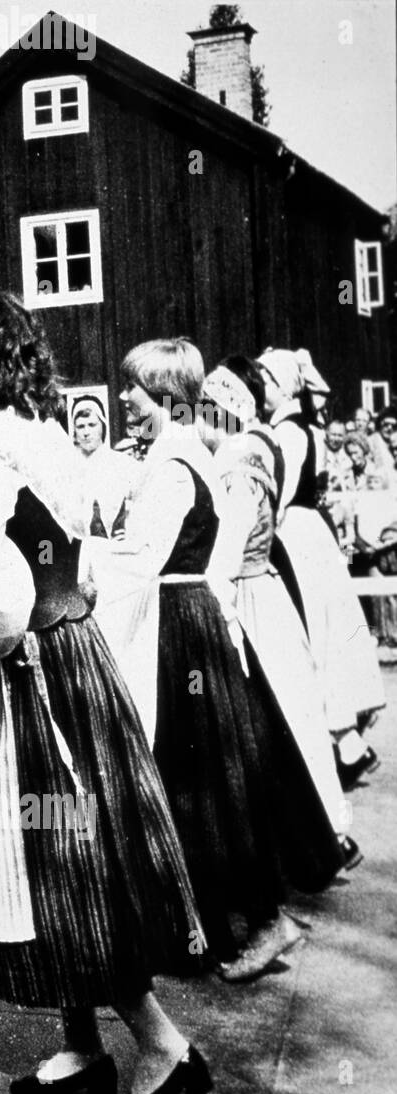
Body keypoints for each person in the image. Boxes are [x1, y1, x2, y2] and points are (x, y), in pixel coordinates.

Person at [0, 291, 207, 1094]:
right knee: (68, 842)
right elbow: (82, 561)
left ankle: (162, 1045)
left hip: (32, 669)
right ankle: (80, 1043)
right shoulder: (54, 442)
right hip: (77, 652)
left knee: (62, 850)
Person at [93, 338, 344, 976]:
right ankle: (206, 923)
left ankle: (261, 920)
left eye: (136, 391)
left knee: (207, 782)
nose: (124, 399)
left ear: (171, 399)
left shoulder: (176, 465)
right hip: (186, 623)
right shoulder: (181, 453)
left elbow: (140, 560)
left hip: (183, 627)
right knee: (195, 778)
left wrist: (80, 566)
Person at [195, 358, 351, 977]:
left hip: (250, 604)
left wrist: (211, 612)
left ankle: (270, 904)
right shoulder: (257, 452)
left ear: (221, 411)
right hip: (269, 600)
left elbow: (225, 559)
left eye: (204, 410)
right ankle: (295, 868)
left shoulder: (235, 463)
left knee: (256, 751)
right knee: (280, 743)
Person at [260, 348, 384, 795]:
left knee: (313, 634)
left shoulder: (289, 435)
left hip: (296, 536)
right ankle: (347, 747)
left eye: (267, 383)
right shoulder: (300, 427)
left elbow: (278, 494)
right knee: (325, 636)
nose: (261, 390)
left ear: (283, 387)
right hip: (310, 535)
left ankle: (341, 748)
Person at [70, 394, 139, 539]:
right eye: (81, 426)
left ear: (103, 426)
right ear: (74, 431)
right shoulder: (69, 469)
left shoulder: (123, 464)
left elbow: (143, 502)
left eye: (92, 425)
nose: (86, 433)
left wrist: (131, 530)